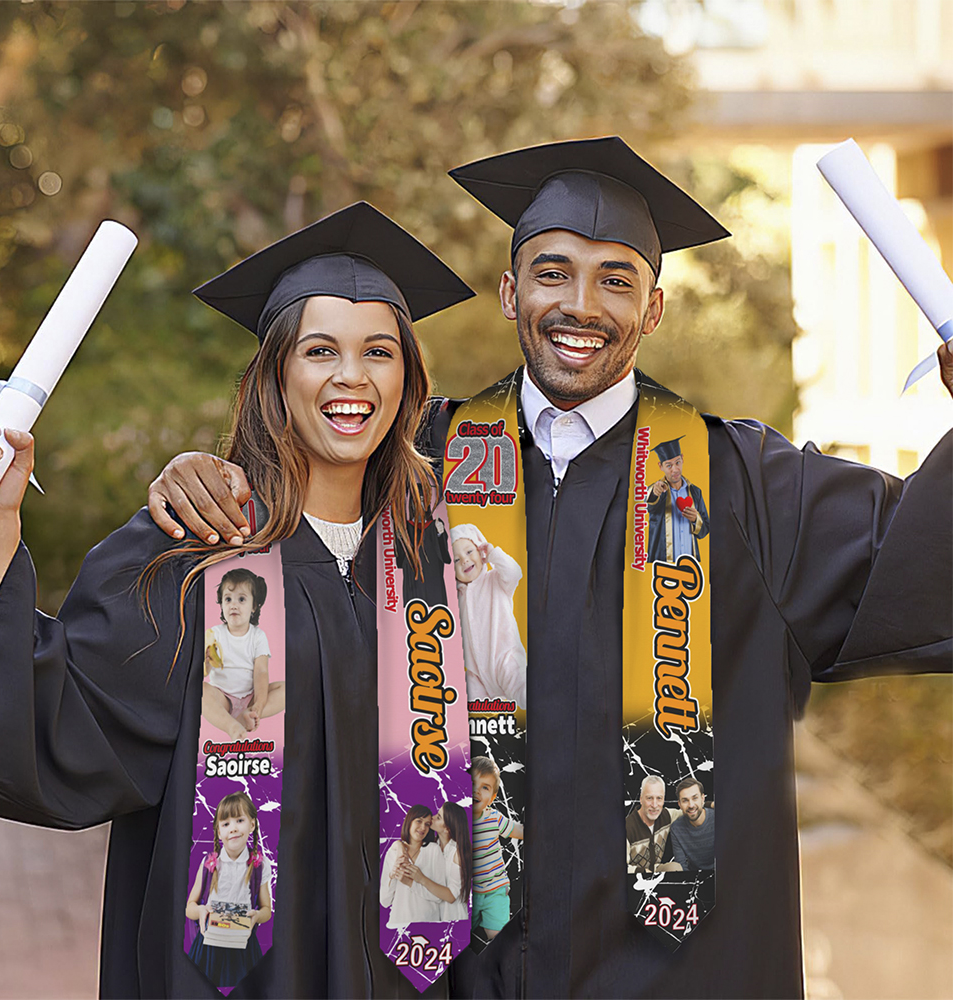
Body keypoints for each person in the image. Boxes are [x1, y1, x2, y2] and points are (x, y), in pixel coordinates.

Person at [143, 136, 951, 999]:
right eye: (553, 271)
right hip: (448, 967)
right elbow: (281, 522)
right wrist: (208, 473)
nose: (580, 304)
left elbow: (919, 561)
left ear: (655, 310)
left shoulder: (744, 486)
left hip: (672, 974)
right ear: (509, 291)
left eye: (616, 280)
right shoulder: (408, 468)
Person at [0, 202, 474, 999]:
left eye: (378, 352)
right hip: (231, 973)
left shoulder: (443, 561)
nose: (351, 377)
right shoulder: (193, 551)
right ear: (276, 375)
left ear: (407, 380)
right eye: (319, 350)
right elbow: (60, 720)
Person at [185, 790, 272, 987]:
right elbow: (190, 906)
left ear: (252, 824)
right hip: (209, 948)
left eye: (239, 820)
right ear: (218, 831)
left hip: (243, 947)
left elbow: (266, 909)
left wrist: (257, 916)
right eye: (225, 824)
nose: (232, 828)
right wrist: (200, 910)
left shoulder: (259, 865)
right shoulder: (209, 863)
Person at [450, 523, 527, 707]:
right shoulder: (456, 596)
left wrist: (493, 553)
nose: (465, 561)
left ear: (480, 551)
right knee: (469, 711)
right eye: (456, 560)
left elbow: (515, 573)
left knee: (524, 692)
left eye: (469, 552)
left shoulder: (495, 580)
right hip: (476, 673)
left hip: (505, 658)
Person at [204, 567, 284, 739]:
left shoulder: (258, 636)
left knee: (286, 689)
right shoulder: (215, 634)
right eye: (228, 599)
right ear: (221, 604)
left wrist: (259, 705)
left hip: (251, 696)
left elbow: (261, 672)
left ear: (254, 606)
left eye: (241, 599)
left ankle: (249, 714)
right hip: (222, 697)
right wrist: (206, 663)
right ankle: (230, 725)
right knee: (201, 691)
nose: (233, 605)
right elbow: (205, 672)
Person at [471, 755, 524, 942]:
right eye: (472, 782)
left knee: (498, 937)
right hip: (467, 894)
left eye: (485, 787)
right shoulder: (456, 818)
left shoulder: (493, 817)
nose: (477, 790)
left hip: (495, 888)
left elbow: (516, 830)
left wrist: (536, 829)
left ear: (492, 797)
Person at [645, 435, 709, 562]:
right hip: (663, 565)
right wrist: (655, 491)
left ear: (683, 459)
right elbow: (649, 505)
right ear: (660, 466)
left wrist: (696, 519)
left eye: (677, 462)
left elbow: (705, 529)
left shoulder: (695, 492)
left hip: (690, 565)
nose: (675, 469)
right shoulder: (658, 490)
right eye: (669, 465)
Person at [379, 804, 444, 927]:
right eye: (419, 821)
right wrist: (392, 876)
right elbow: (385, 901)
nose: (423, 827)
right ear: (409, 821)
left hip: (428, 924)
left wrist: (411, 882)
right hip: (399, 925)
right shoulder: (393, 852)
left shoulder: (433, 850)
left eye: (427, 824)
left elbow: (439, 896)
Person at [625, 775, 680, 874]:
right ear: (641, 799)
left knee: (675, 867)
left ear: (664, 800)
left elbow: (689, 810)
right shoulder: (627, 828)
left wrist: (709, 805)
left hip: (656, 871)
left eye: (659, 798)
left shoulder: (666, 816)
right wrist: (642, 872)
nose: (654, 805)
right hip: (635, 878)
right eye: (649, 798)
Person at [430, 801, 471, 921]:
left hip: (454, 920)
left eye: (438, 817)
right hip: (436, 919)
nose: (432, 818)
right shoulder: (433, 846)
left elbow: (451, 896)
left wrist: (421, 878)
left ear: (447, 829)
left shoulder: (456, 853)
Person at [668, 778, 715, 872]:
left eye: (695, 798)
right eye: (685, 800)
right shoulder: (676, 829)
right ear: (679, 804)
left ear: (702, 799)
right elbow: (681, 865)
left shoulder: (718, 817)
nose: (691, 805)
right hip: (695, 876)